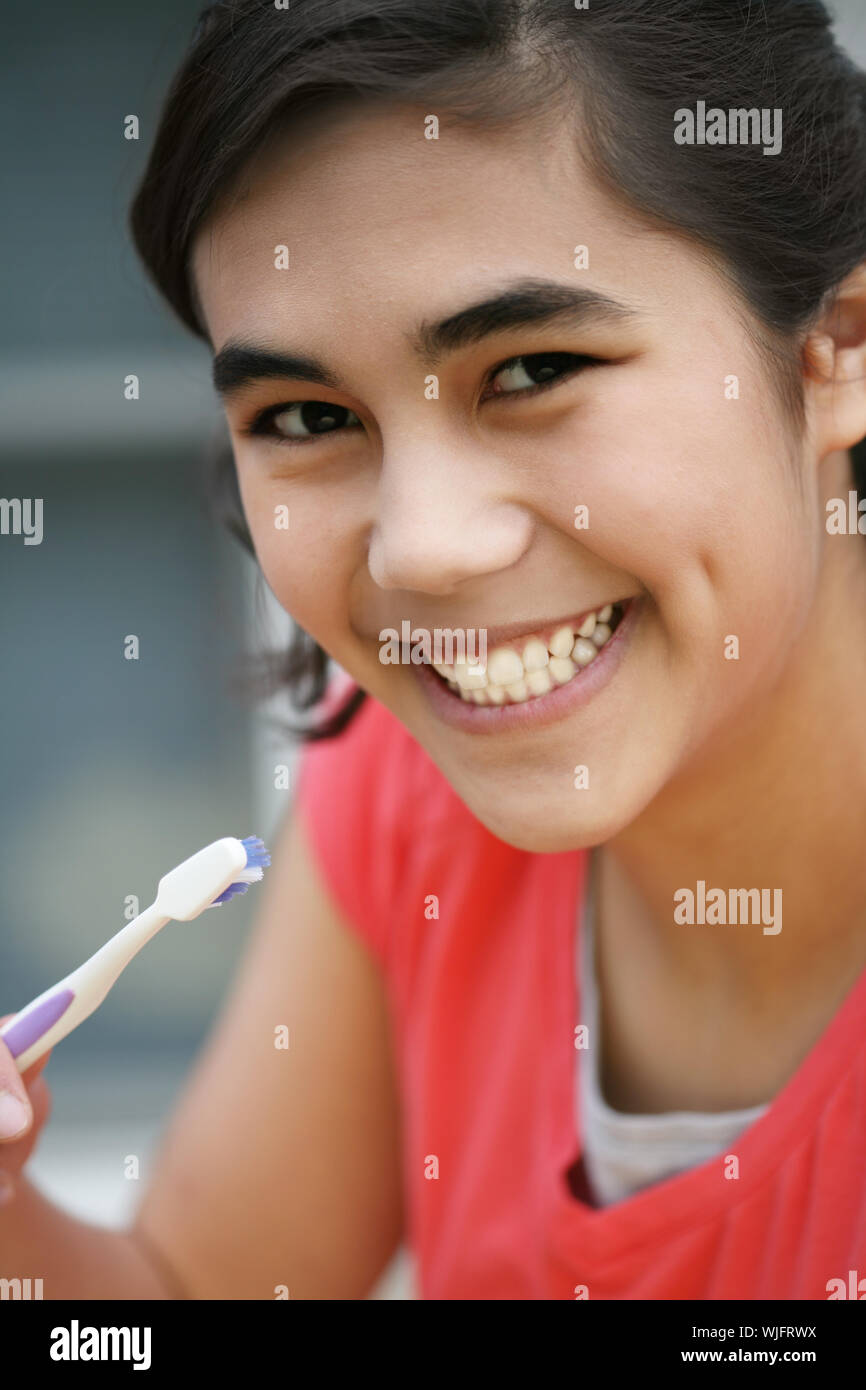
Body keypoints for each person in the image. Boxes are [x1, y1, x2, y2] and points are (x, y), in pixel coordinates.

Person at [3, 0, 866, 1300]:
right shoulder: (409, 785)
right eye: (306, 413)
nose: (421, 549)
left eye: (529, 371)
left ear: (834, 343)